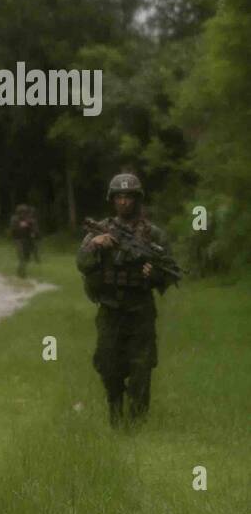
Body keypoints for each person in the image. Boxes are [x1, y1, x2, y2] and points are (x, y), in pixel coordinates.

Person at [75, 174, 177, 428]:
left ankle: (137, 425)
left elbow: (169, 272)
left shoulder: (154, 235)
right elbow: (82, 264)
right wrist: (95, 246)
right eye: (119, 197)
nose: (124, 202)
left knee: (141, 369)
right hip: (110, 308)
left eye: (129, 197)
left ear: (138, 199)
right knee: (109, 365)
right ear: (112, 200)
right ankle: (115, 410)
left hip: (140, 308)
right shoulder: (100, 230)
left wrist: (154, 275)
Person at [10, 204, 40, 277]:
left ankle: (21, 270)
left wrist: (33, 231)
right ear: (19, 213)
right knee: (21, 256)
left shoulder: (28, 220)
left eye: (25, 212)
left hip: (26, 240)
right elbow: (13, 229)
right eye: (22, 212)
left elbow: (33, 230)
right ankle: (22, 273)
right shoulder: (15, 219)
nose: (24, 214)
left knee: (27, 258)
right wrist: (22, 225)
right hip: (18, 240)